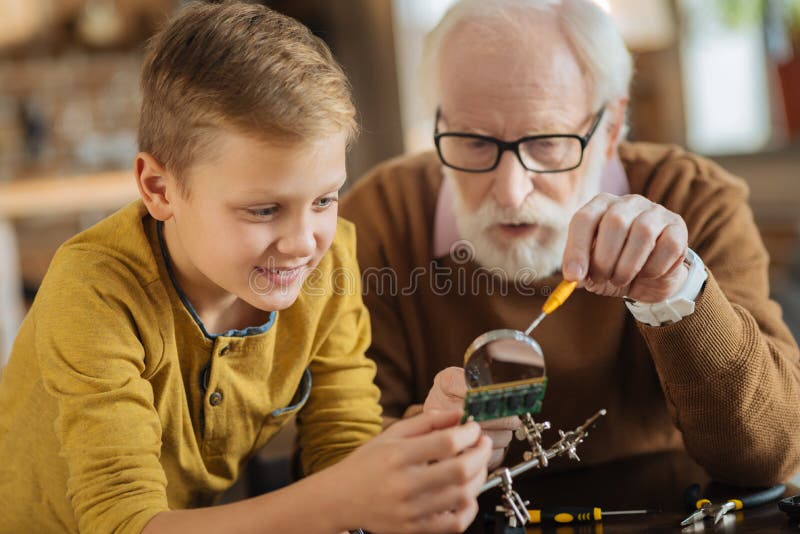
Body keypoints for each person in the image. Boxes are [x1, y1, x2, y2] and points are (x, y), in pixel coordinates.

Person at [0, 3, 492, 533]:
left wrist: (425, 441)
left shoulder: (328, 264)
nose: (304, 243)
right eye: (263, 210)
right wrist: (343, 499)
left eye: (325, 200)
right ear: (159, 189)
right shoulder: (94, 292)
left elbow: (341, 445)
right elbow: (124, 524)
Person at [341, 0, 800, 489]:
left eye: (546, 143)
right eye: (473, 141)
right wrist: (426, 440)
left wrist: (676, 292)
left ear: (608, 127)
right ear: (437, 119)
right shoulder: (379, 217)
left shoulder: (696, 199)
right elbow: (332, 466)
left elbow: (771, 456)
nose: (511, 191)